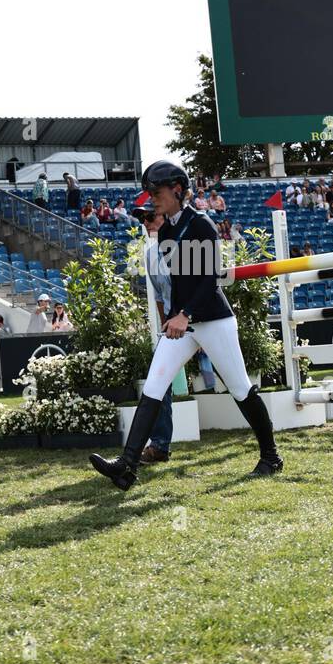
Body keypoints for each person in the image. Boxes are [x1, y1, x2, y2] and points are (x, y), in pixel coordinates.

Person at [90, 161, 283, 490]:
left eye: (157, 192)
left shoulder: (203, 225)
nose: (153, 198)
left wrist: (184, 315)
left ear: (178, 190)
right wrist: (174, 313)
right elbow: (173, 280)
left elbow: (209, 280)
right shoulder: (165, 230)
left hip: (213, 320)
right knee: (153, 385)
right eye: (150, 193)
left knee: (239, 388)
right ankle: (127, 464)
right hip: (183, 322)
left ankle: (271, 456)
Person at [136, 205, 217, 465]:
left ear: (166, 217)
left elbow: (208, 282)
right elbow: (160, 297)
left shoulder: (187, 243)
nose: (146, 223)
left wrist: (190, 316)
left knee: (236, 382)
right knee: (158, 380)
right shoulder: (149, 256)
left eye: (150, 217)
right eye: (142, 219)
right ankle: (158, 445)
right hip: (174, 326)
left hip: (206, 320)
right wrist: (164, 328)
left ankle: (264, 438)